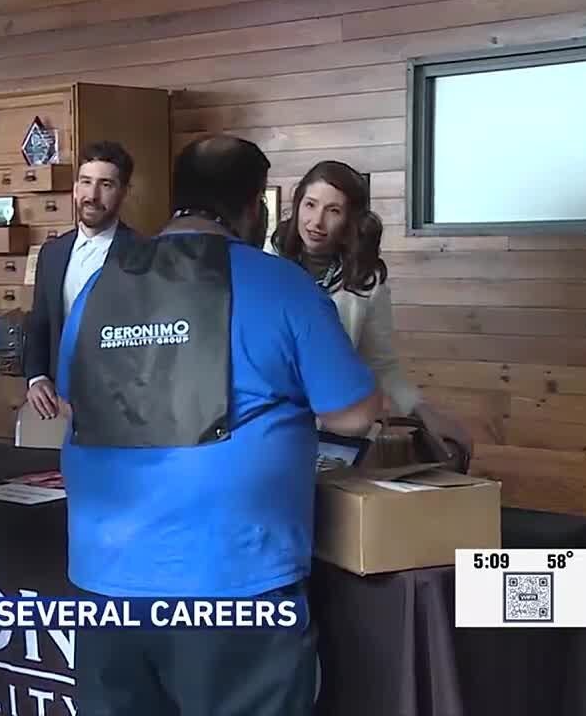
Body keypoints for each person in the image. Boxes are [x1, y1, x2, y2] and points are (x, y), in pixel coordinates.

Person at [56, 136, 383, 715]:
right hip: (233, 581)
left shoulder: (98, 287)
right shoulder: (282, 286)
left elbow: (72, 397)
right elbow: (354, 414)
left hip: (106, 579)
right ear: (254, 206)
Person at [267, 160, 473, 459]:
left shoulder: (366, 280)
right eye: (310, 205)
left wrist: (422, 410)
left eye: (333, 211)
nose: (316, 222)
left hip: (330, 432)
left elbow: (382, 365)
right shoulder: (265, 264)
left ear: (351, 219)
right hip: (269, 424)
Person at [23, 141, 138, 420]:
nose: (92, 195)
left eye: (106, 185)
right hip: (57, 404)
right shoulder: (52, 252)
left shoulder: (143, 255)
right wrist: (36, 377)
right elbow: (40, 321)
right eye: (86, 182)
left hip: (121, 406)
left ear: (124, 192)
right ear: (75, 188)